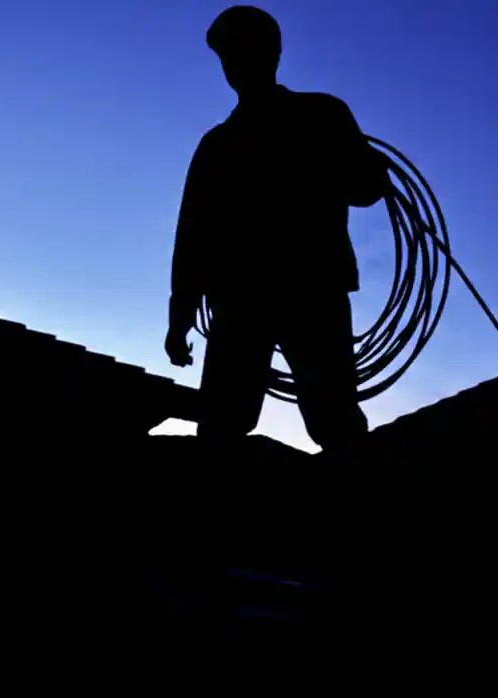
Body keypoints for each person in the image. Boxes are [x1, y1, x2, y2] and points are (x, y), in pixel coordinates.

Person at [165, 5, 389, 456]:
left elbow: (366, 186)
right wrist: (180, 314)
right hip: (260, 294)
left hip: (295, 289)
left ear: (272, 53)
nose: (233, 65)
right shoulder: (227, 141)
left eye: (239, 51)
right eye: (227, 56)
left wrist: (182, 315)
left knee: (327, 417)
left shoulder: (315, 117)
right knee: (228, 420)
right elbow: (193, 233)